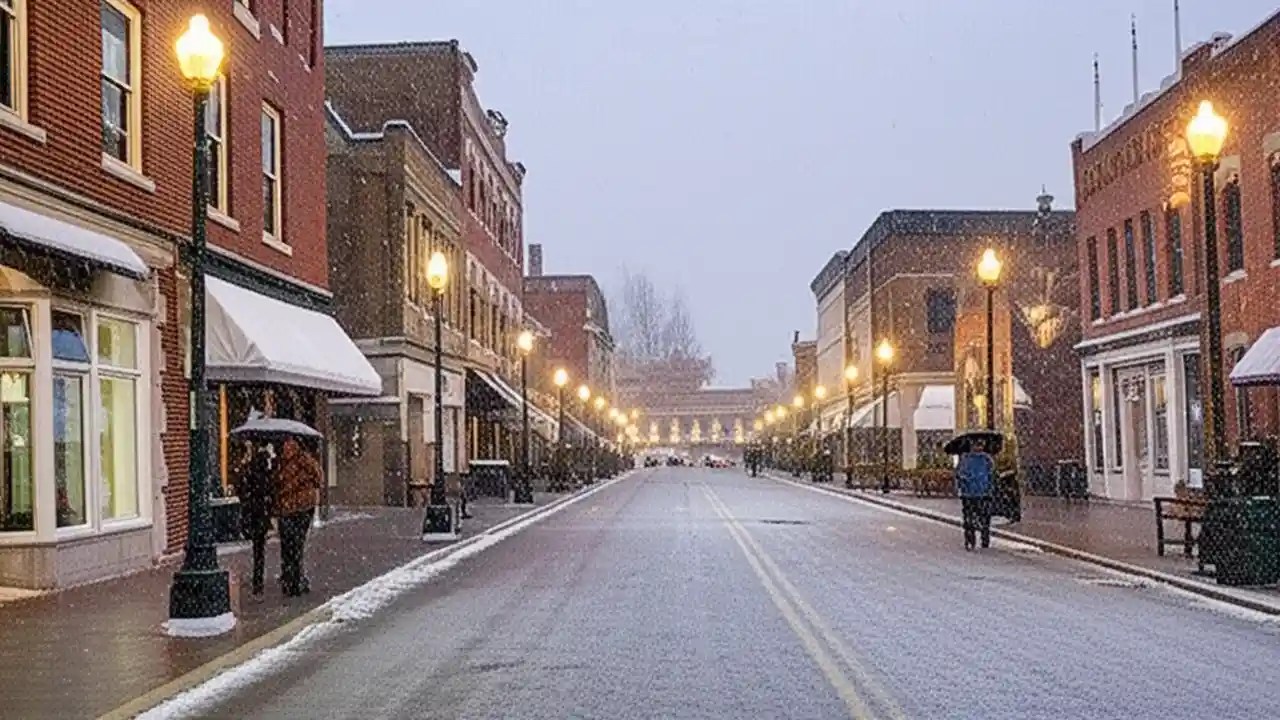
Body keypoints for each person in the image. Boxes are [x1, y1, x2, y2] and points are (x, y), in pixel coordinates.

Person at [275, 437, 323, 596]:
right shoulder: (305, 460)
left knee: (289, 545)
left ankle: (290, 579)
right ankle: (296, 579)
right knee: (296, 545)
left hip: (289, 508)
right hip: (302, 507)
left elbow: (280, 484)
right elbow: (318, 478)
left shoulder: (283, 463)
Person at [237, 440, 275, 597]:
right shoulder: (265, 474)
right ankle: (258, 578)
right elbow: (269, 491)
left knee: (257, 547)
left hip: (253, 512)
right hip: (260, 513)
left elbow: (242, 489)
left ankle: (257, 578)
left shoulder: (249, 471)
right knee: (259, 547)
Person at [955, 437, 996, 551]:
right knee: (979, 517)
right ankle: (974, 539)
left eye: (980, 444)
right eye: (977, 444)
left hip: (976, 492)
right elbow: (992, 474)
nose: (978, 447)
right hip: (975, 492)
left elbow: (959, 474)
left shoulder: (984, 459)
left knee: (976, 517)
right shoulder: (982, 459)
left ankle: (978, 539)